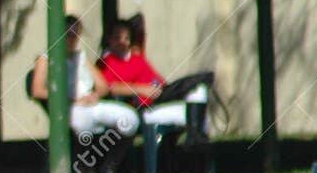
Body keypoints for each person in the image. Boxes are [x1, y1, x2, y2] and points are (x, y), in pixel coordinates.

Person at [29, 15, 140, 146]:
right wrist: (72, 100)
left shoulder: (80, 56)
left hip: (90, 103)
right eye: (68, 34)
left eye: (75, 35)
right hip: (70, 107)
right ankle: (87, 157)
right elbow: (37, 91)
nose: (72, 39)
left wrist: (94, 95)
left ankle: (110, 158)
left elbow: (103, 86)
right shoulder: (46, 59)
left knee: (130, 118)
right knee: (84, 126)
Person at [98, 17, 209, 143]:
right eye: (117, 38)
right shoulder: (106, 63)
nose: (122, 42)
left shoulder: (136, 59)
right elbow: (109, 87)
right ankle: (195, 140)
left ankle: (195, 140)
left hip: (160, 95)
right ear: (109, 39)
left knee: (199, 89)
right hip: (144, 106)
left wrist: (159, 87)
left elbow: (158, 80)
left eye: (126, 38)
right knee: (196, 85)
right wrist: (140, 89)